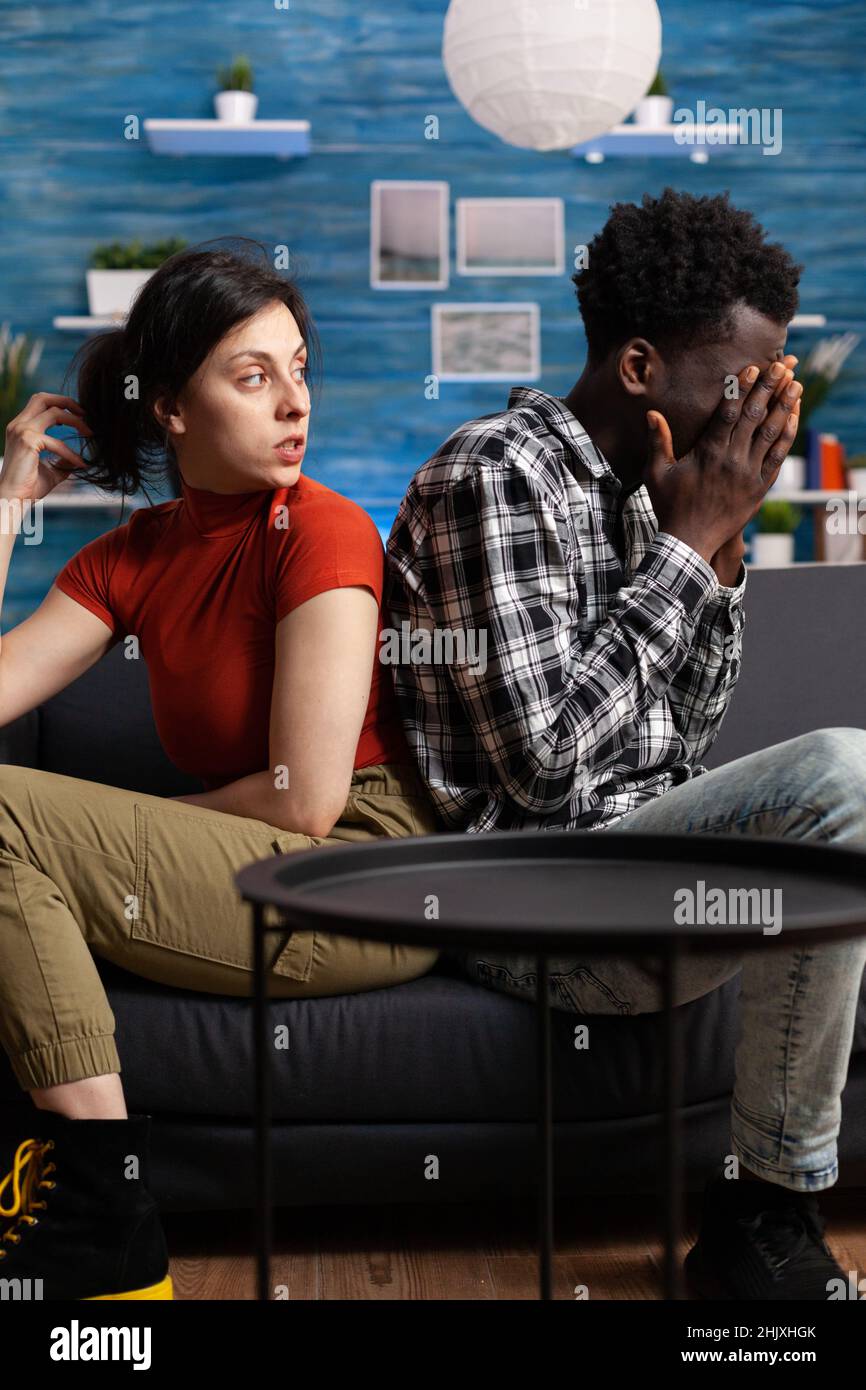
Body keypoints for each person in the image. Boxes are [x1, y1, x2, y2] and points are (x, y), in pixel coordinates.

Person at [385, 189, 866, 1300]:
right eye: (739, 383)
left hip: (637, 881)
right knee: (844, 773)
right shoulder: (493, 472)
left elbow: (679, 744)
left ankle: (761, 1223)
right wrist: (688, 549)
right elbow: (543, 772)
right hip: (524, 902)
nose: (757, 411)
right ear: (640, 365)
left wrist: (716, 551)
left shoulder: (657, 492)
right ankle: (765, 1213)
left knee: (842, 803)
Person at [0, 242, 441, 1300]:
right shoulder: (131, 557)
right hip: (257, 858)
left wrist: (115, 835)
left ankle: (104, 1216)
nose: (295, 401)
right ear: (171, 410)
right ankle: (106, 1219)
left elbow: (309, 799)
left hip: (360, 873)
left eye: (299, 370)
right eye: (253, 376)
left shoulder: (324, 529)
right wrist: (10, 499)